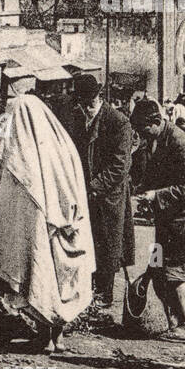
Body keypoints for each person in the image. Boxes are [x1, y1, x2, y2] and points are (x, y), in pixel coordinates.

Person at [0, 94, 95, 353]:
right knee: (57, 278)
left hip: (38, 229)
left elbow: (2, 189)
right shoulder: (62, 144)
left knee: (39, 273)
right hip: (66, 227)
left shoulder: (18, 154)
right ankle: (58, 336)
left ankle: (45, 336)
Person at [130, 98, 185, 344]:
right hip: (167, 223)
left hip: (184, 223)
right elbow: (159, 176)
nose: (140, 136)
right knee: (157, 268)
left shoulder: (179, 141)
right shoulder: (158, 140)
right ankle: (173, 324)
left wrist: (157, 196)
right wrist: (144, 192)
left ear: (156, 122)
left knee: (172, 274)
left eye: (143, 130)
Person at [73, 75, 134, 305]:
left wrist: (95, 187)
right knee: (89, 241)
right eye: (83, 104)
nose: (86, 109)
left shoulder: (118, 122)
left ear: (98, 98)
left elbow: (120, 166)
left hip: (110, 197)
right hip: (89, 193)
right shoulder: (80, 120)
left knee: (109, 244)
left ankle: (105, 295)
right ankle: (91, 292)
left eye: (89, 104)